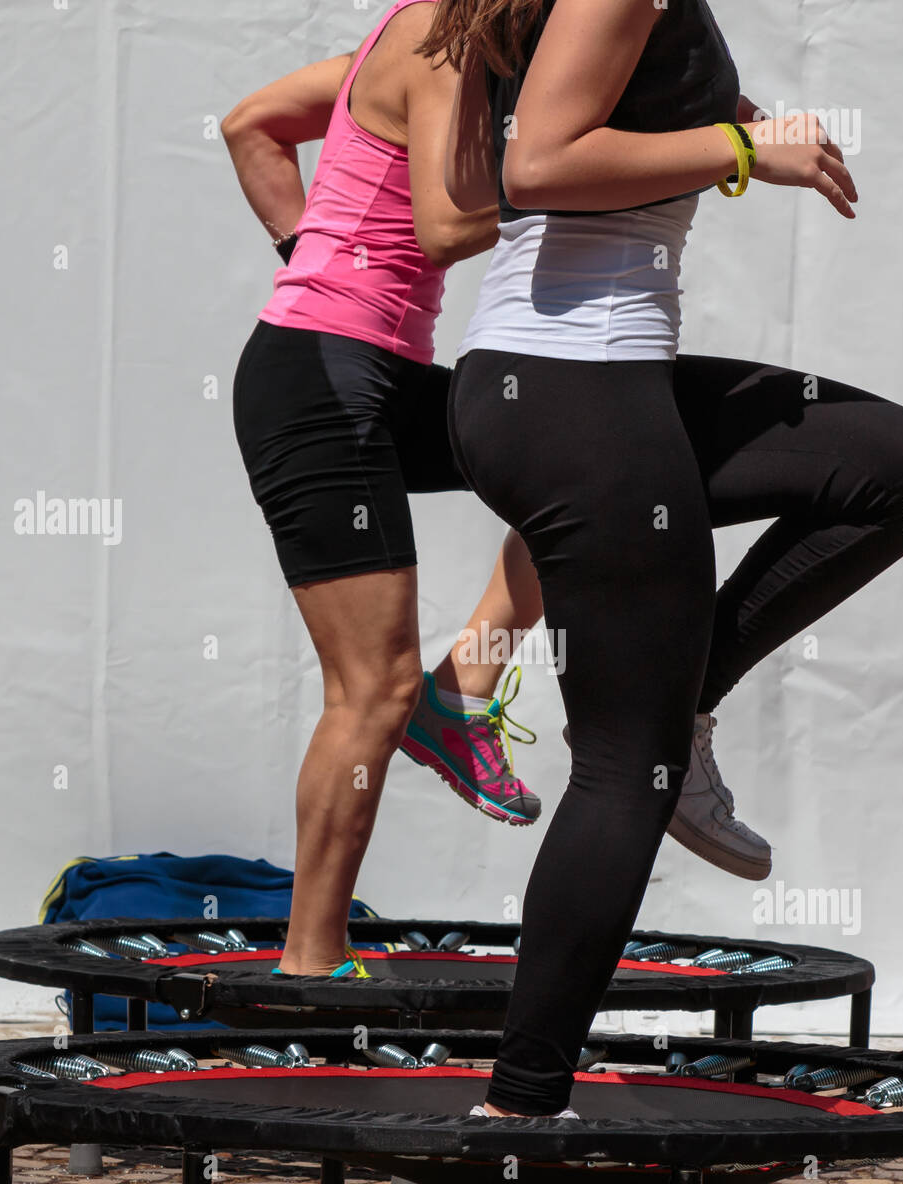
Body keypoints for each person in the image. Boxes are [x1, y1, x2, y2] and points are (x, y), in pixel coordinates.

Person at [426, 0, 903, 1115]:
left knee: (902, 468)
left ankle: (693, 698)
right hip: (571, 391)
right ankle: (520, 1105)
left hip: (601, 389)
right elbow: (540, 162)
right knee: (630, 769)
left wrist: (749, 131)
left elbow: (622, 113)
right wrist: (736, 150)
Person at [225, 0, 547, 979]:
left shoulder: (435, 46)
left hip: (379, 374)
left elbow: (250, 122)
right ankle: (308, 964)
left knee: (587, 472)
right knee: (371, 688)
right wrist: (580, 189)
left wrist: (308, 247)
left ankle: (465, 683)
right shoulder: (435, 36)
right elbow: (447, 226)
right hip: (317, 378)